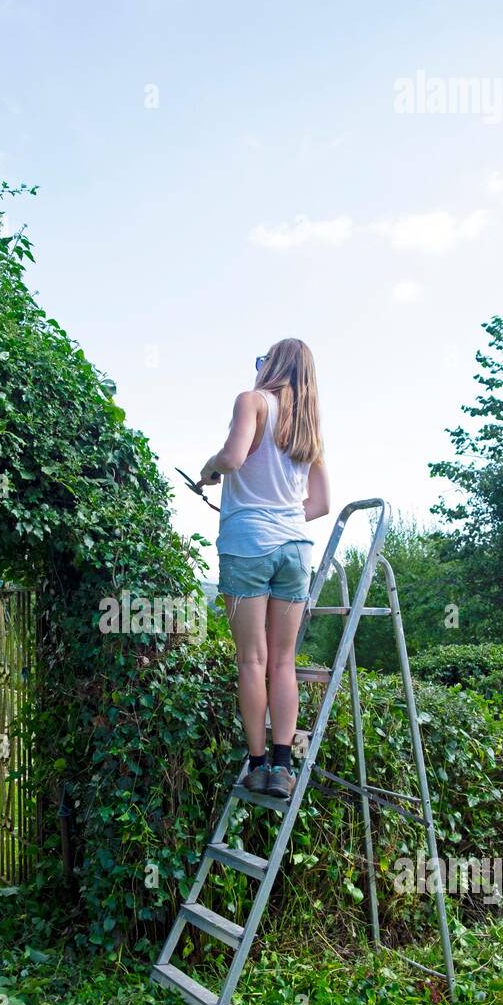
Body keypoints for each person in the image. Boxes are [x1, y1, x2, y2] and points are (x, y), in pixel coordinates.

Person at [198, 338, 330, 800]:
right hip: (296, 550)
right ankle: (282, 765)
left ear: (271, 366)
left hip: (248, 545)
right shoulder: (308, 425)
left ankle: (256, 766)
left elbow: (233, 458)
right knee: (284, 660)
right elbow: (321, 504)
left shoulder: (251, 402)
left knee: (253, 660)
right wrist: (280, 513)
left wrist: (209, 469)